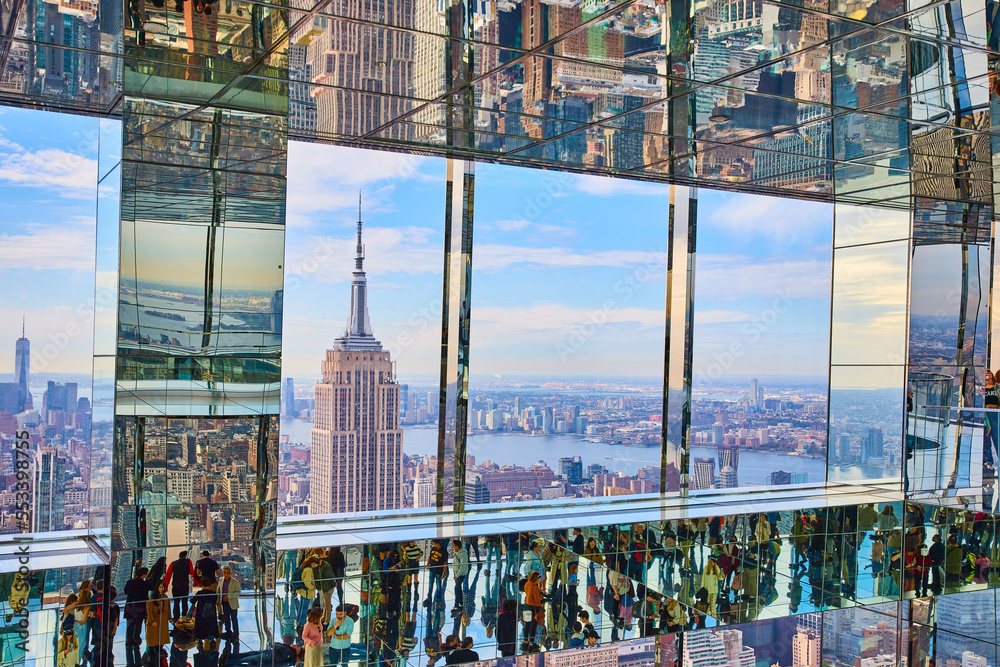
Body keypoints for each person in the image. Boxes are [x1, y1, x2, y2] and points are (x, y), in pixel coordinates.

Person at [223, 633, 304, 667]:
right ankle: (229, 658)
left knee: (247, 658)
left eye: (298, 647)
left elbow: (278, 657)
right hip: (268, 655)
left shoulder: (289, 653)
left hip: (267, 657)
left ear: (297, 652)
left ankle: (228, 661)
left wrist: (275, 646)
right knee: (248, 656)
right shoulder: (289, 652)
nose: (296, 645)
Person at [164, 551, 197, 619]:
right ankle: (184, 616)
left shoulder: (173, 563)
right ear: (185, 555)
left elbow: (168, 576)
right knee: (184, 602)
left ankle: (176, 617)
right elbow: (191, 572)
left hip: (176, 586)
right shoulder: (188, 562)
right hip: (184, 585)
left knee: (176, 602)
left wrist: (165, 587)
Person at [123, 567, 150, 650]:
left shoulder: (130, 582)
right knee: (138, 624)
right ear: (144, 575)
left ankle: (129, 639)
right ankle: (136, 638)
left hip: (130, 607)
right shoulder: (145, 584)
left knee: (130, 624)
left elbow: (126, 591)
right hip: (140, 608)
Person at [146, 581, 171, 666]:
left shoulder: (165, 597)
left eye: (162, 587)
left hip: (163, 622)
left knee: (162, 637)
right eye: (160, 587)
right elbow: (149, 611)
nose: (161, 589)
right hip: (154, 622)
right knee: (153, 638)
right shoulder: (152, 598)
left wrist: (170, 618)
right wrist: (152, 620)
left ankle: (159, 652)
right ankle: (151, 655)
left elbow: (168, 609)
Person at [218, 567, 241, 638]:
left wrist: (229, 596)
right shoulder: (221, 580)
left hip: (232, 603)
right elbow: (218, 590)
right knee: (226, 618)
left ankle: (236, 633)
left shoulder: (235, 582)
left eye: (228, 573)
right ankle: (228, 631)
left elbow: (238, 592)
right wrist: (218, 600)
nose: (226, 574)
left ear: (231, 573)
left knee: (234, 618)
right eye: (224, 573)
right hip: (224, 603)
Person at [450, 540, 469, 612]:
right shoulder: (457, 552)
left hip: (461, 574)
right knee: (458, 588)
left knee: (457, 588)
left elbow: (463, 566)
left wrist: (457, 575)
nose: (453, 547)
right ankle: (461, 602)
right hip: (457, 574)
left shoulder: (463, 554)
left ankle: (456, 605)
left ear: (457, 546)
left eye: (454, 545)